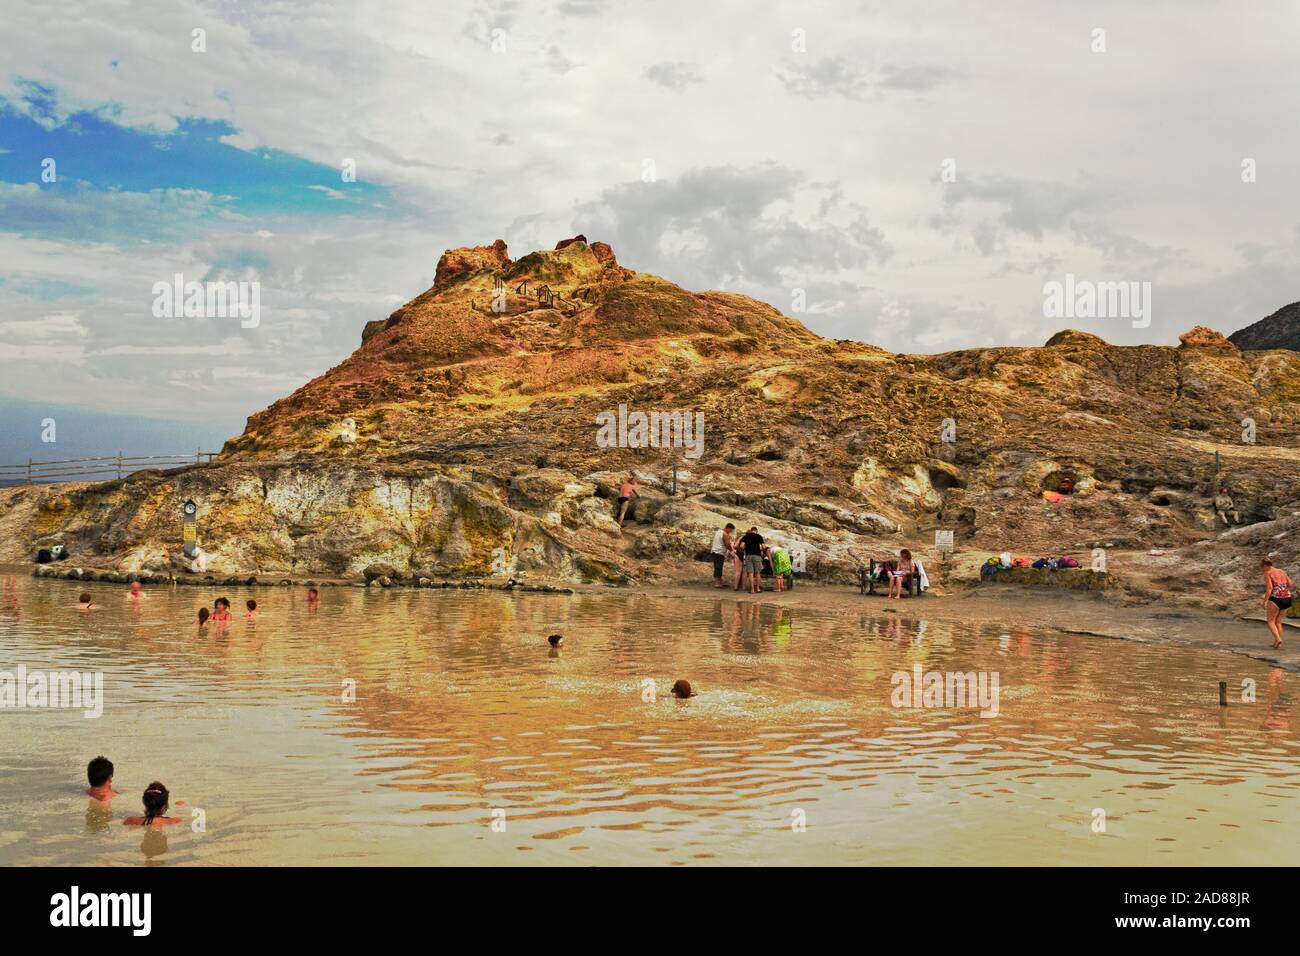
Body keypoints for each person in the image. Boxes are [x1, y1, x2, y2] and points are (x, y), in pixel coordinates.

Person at [1262, 557, 1293, 650]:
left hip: (1276, 599)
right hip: (1287, 597)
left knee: (1271, 621)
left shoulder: (1267, 573)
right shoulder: (1282, 571)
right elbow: (1290, 584)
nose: (1262, 569)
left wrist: (1265, 601)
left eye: (1262, 567)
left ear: (1265, 565)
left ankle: (1278, 639)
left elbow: (1269, 589)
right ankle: (1277, 643)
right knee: (1278, 621)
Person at [739, 527, 765, 593]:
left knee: (750, 573)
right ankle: (758, 589)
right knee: (757, 573)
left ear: (751, 530)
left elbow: (741, 546)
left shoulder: (746, 536)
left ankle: (752, 590)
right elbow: (764, 547)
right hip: (757, 555)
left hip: (748, 555)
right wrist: (760, 550)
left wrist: (746, 548)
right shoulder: (759, 536)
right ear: (756, 531)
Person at [710, 523, 735, 588]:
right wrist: (731, 550)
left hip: (715, 551)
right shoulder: (725, 534)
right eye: (731, 530)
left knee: (718, 567)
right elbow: (727, 544)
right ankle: (717, 583)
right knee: (718, 568)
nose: (731, 532)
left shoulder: (718, 531)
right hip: (719, 552)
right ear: (728, 528)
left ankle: (720, 582)